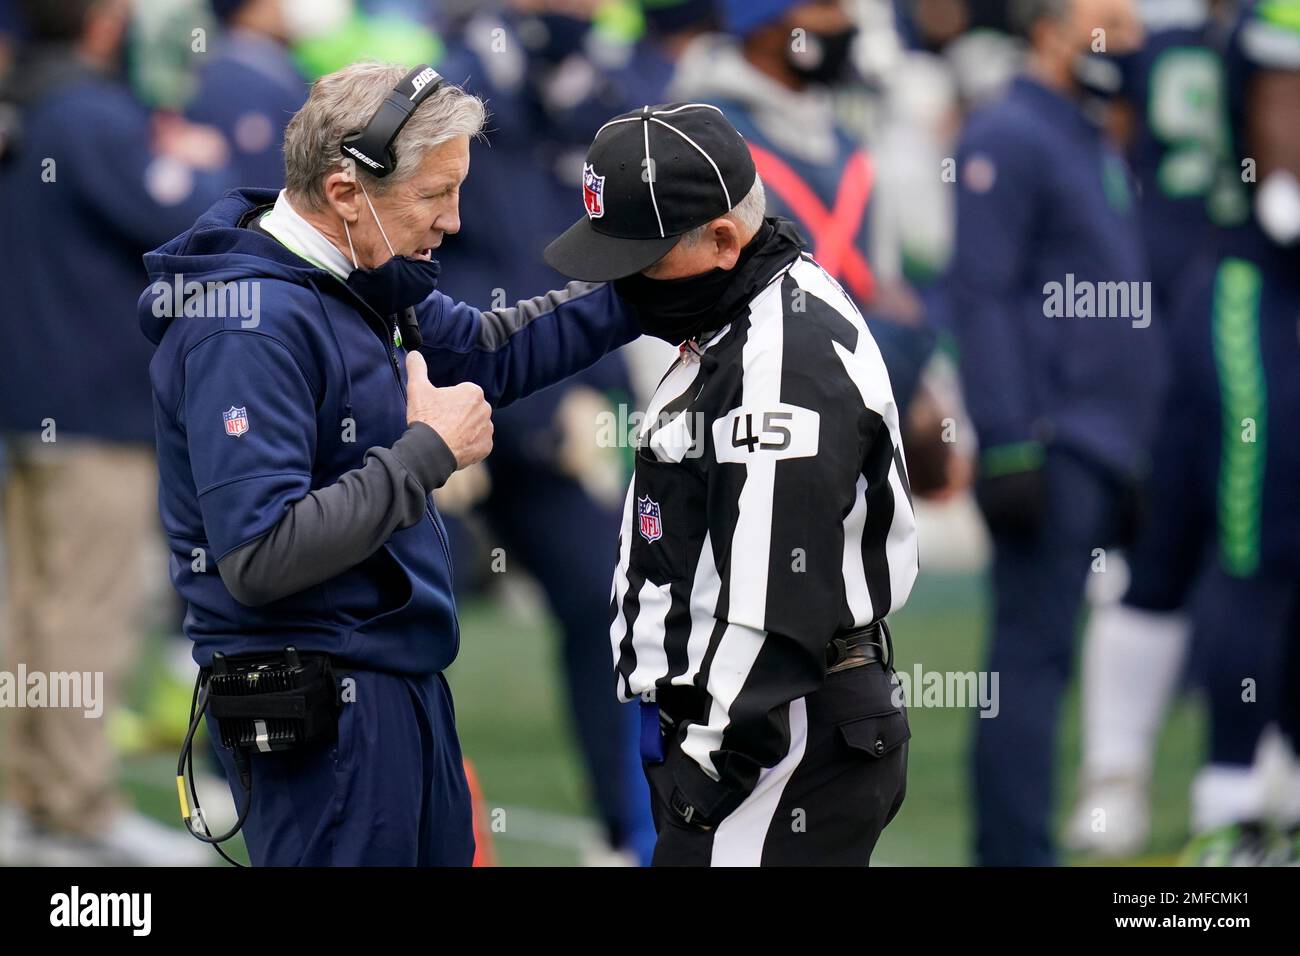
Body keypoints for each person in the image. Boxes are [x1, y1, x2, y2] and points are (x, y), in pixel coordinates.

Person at [138, 61, 642, 866]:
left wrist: (650, 288)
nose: (453, 220)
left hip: (390, 687)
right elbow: (259, 555)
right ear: (344, 191)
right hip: (323, 713)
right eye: (434, 195)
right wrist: (427, 454)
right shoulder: (249, 327)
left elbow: (488, 348)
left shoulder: (354, 273)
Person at [545, 102, 918, 866]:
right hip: (763, 734)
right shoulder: (743, 307)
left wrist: (705, 777)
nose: (625, 282)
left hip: (780, 741)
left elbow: (776, 606)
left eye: (642, 256)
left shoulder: (779, 361)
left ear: (722, 238)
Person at [0, 0, 229, 866]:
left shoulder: (26, 99)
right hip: (89, 409)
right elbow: (188, 223)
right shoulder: (90, 112)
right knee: (82, 615)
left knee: (32, 610)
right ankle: (76, 810)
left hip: (30, 403)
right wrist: (197, 162)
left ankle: (30, 799)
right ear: (100, 23)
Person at [945, 0, 1166, 865]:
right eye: (1109, 20)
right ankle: (1013, 853)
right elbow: (982, 292)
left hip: (1107, 440)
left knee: (1058, 658)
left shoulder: (1086, 133)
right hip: (1053, 438)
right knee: (1029, 665)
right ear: (1049, 29)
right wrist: (1005, 437)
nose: (1130, 41)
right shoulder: (1010, 133)